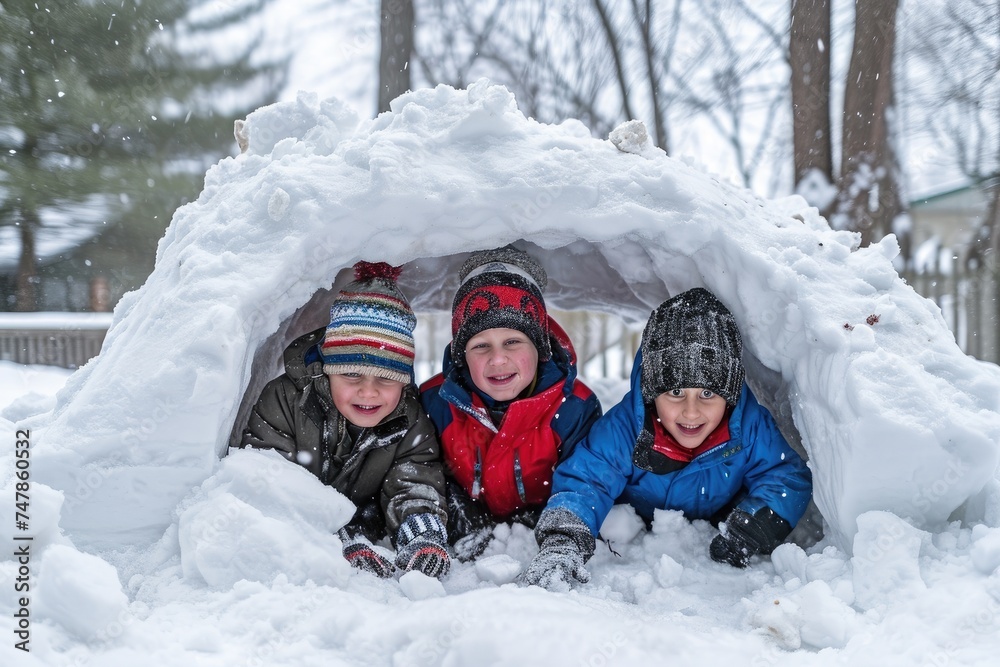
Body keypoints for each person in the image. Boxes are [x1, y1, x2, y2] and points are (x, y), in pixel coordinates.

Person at [522, 287, 813, 589]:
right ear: (652, 393)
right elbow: (586, 481)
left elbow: (785, 476)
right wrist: (564, 540)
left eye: (707, 393)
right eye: (675, 393)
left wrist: (752, 528)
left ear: (729, 396)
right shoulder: (625, 430)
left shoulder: (748, 428)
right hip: (635, 535)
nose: (691, 412)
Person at [239, 261, 450, 579]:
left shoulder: (410, 418)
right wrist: (331, 543)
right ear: (328, 368)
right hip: (305, 523)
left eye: (386, 379)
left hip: (365, 515)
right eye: (352, 374)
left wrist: (421, 535)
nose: (368, 392)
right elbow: (269, 487)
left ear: (404, 382)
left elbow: (414, 481)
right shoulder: (285, 401)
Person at [420, 245, 603, 560]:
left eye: (513, 341)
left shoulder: (573, 407)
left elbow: (584, 481)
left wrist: (542, 517)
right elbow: (420, 467)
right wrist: (457, 508)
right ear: (462, 356)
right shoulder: (435, 401)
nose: (498, 358)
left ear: (540, 347)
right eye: (480, 346)